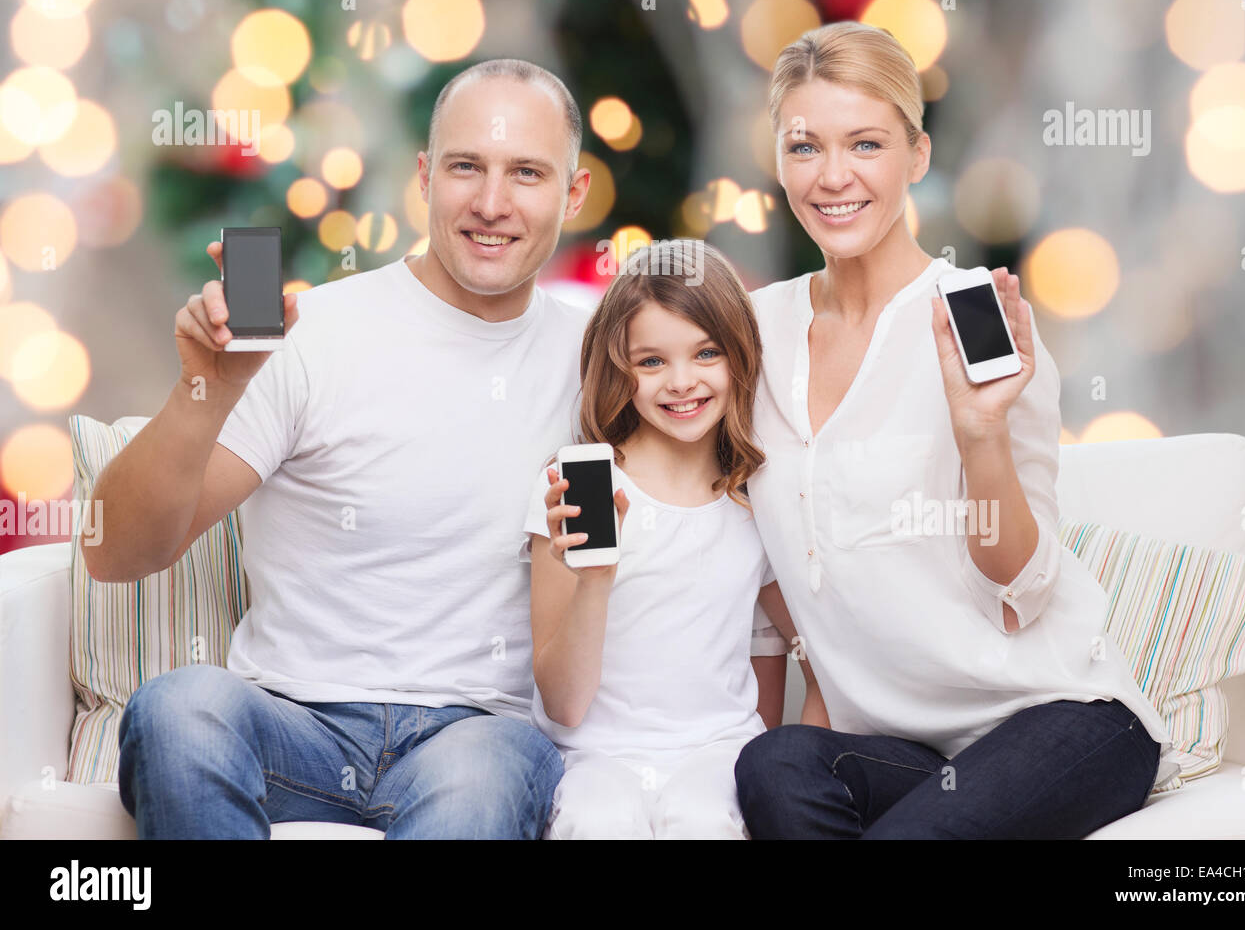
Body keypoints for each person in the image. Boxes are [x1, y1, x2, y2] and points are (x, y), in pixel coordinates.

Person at [86, 58, 595, 839]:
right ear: (424, 176)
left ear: (574, 191)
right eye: (466, 166)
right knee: (178, 709)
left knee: (477, 787)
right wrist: (207, 390)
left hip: (475, 735)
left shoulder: (606, 364)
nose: (492, 203)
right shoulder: (314, 333)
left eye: (527, 172)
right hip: (294, 723)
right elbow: (115, 551)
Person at [734, 21, 1179, 840]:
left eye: (865, 143)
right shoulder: (755, 333)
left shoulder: (974, 313)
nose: (833, 176)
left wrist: (980, 432)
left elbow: (1023, 591)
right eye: (804, 147)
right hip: (905, 749)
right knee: (773, 764)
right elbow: (783, 572)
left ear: (919, 155)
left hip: (1058, 720)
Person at [525, 239, 821, 839]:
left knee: (703, 822)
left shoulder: (753, 496)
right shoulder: (576, 487)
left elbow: (792, 650)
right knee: (599, 821)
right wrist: (595, 581)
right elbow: (564, 705)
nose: (681, 382)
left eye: (706, 353)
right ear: (619, 370)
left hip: (716, 755)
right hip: (595, 759)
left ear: (739, 355)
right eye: (651, 361)